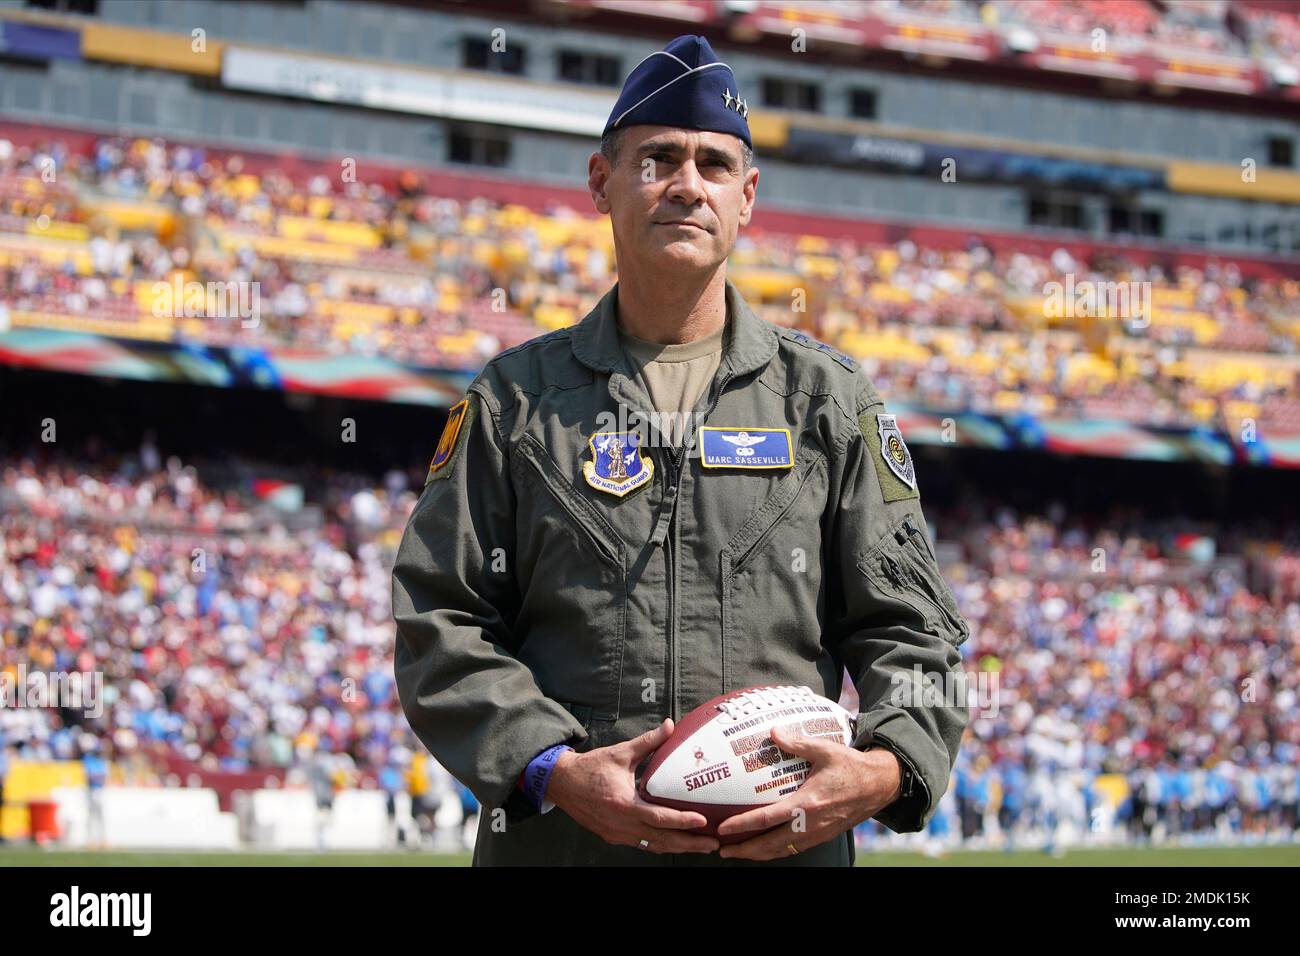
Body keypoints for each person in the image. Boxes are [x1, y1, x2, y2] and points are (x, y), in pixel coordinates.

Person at [393, 34, 970, 866]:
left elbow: (911, 631)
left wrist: (885, 767)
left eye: (714, 165)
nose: (687, 186)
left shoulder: (829, 403)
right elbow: (440, 616)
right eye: (657, 159)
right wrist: (551, 768)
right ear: (602, 182)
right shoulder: (514, 402)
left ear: (748, 197)